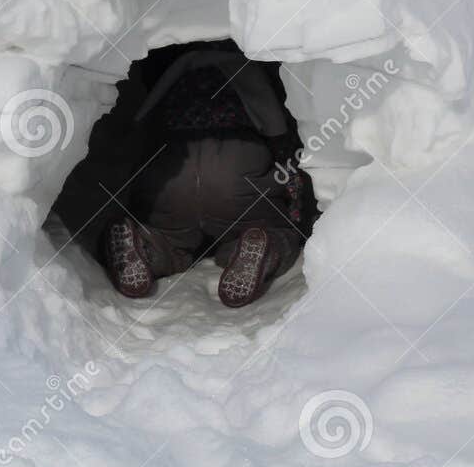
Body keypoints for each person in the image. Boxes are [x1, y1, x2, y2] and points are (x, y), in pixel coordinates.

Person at [52, 41, 318, 308]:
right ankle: (264, 245)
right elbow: (286, 148)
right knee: (268, 229)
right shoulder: (256, 80)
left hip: (171, 170)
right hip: (239, 170)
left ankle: (144, 246)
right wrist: (297, 211)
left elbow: (131, 150)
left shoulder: (166, 83)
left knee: (168, 239)